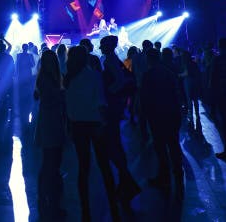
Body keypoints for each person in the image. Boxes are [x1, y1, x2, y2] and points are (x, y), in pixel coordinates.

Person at [64, 45, 120, 222]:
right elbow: (100, 102)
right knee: (104, 165)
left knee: (83, 167)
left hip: (77, 125)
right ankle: (113, 206)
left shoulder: (68, 78)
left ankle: (85, 210)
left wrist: (70, 126)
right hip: (95, 124)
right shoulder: (94, 75)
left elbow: (68, 106)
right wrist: (104, 122)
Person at [99, 35, 141, 207]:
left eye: (102, 45)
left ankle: (127, 183)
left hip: (112, 106)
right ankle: (126, 183)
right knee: (114, 144)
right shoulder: (113, 59)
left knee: (112, 145)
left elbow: (119, 80)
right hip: (116, 105)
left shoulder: (110, 61)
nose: (100, 48)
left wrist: (109, 92)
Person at [140, 48, 184, 192]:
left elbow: (145, 98)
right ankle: (178, 176)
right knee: (174, 145)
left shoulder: (148, 75)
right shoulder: (168, 73)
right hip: (172, 113)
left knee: (161, 147)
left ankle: (164, 178)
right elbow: (177, 94)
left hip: (157, 115)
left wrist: (145, 115)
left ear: (148, 59)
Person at [34, 50, 66, 220]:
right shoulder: (46, 79)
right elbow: (49, 100)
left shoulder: (47, 78)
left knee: (50, 161)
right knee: (50, 161)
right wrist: (62, 95)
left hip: (51, 121)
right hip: (49, 122)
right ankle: (49, 200)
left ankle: (46, 198)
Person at [180, 50, 202, 129]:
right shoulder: (194, 63)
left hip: (188, 82)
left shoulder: (185, 64)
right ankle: (197, 115)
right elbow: (198, 73)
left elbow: (186, 73)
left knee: (189, 100)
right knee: (195, 99)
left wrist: (179, 75)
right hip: (195, 82)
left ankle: (191, 117)